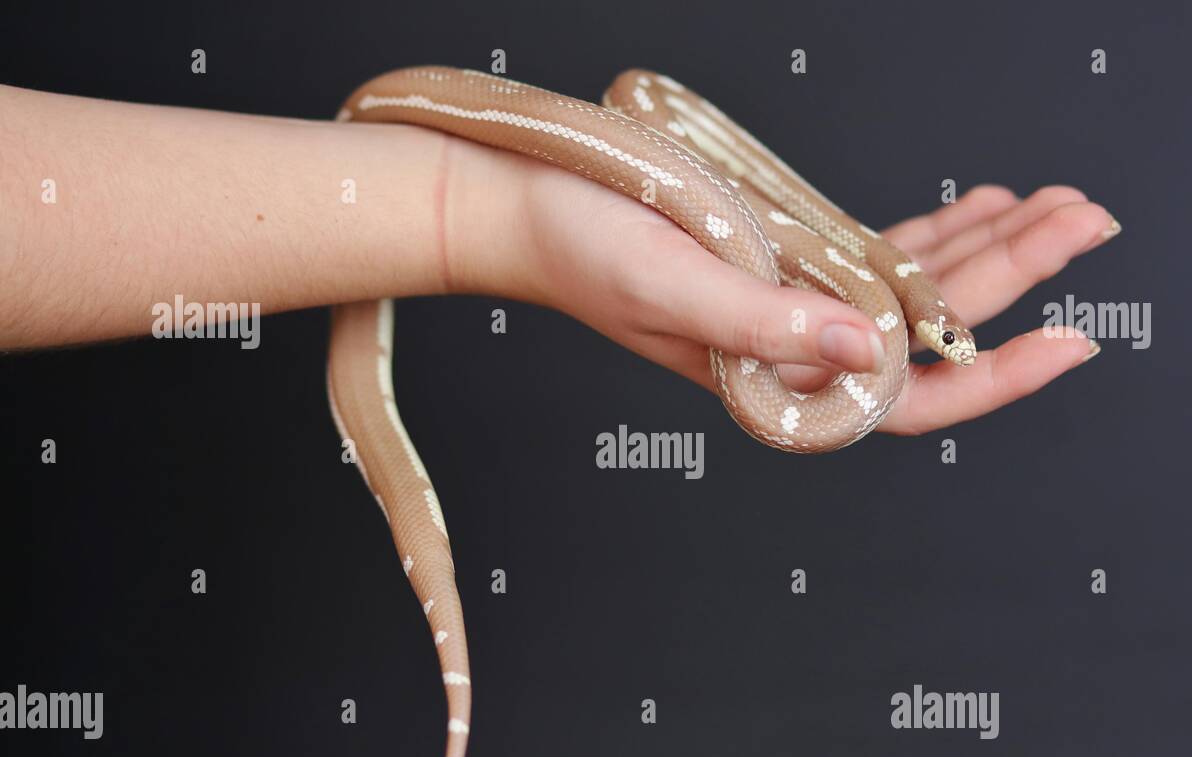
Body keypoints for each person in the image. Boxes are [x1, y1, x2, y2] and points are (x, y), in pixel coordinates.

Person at [0, 84, 1115, 430]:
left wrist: (480, 215)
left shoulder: (885, 289)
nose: (944, 341)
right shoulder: (877, 293)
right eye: (945, 330)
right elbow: (644, 103)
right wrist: (482, 212)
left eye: (942, 336)